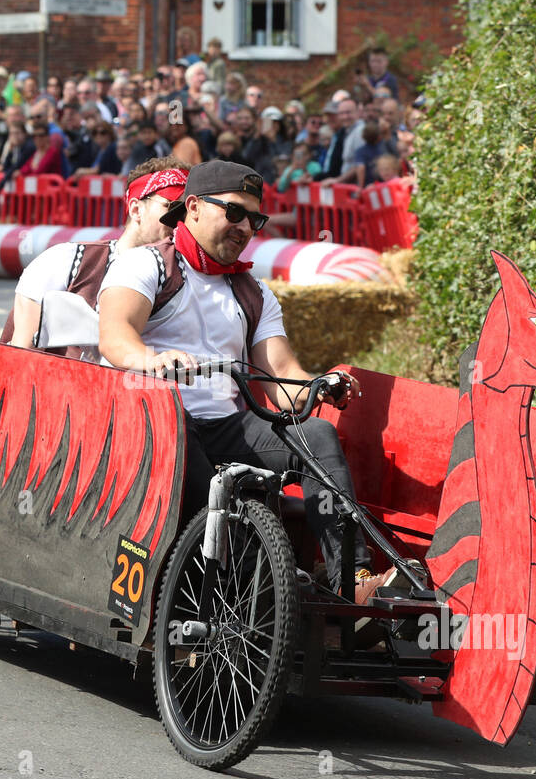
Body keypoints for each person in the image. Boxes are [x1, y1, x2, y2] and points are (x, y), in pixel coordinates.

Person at [96, 161, 397, 601]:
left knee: (317, 434)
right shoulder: (146, 265)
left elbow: (283, 378)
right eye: (234, 212)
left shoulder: (254, 292)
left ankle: (351, 582)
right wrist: (151, 360)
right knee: (197, 470)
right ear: (193, 206)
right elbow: (115, 335)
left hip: (225, 425)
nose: (245, 227)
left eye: (254, 219)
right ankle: (243, 596)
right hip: (155, 424)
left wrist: (320, 385)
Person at [4, 158, 191, 349]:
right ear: (136, 210)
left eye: (189, 211)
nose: (182, 220)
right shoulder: (64, 262)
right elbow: (22, 356)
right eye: (172, 207)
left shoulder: (192, 281)